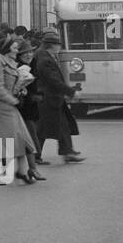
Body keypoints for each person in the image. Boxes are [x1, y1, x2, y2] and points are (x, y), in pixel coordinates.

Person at [0, 35, 44, 185]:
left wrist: (21, 91)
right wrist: (14, 99)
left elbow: (12, 86)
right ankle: (15, 171)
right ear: (6, 50)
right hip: (1, 109)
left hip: (10, 107)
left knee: (20, 138)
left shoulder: (11, 64)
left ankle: (19, 171)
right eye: (14, 48)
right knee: (6, 140)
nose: (16, 50)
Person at [33, 31, 85, 163]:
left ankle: (67, 151)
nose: (60, 47)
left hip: (51, 97)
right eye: (58, 45)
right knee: (42, 129)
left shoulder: (43, 55)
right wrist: (71, 92)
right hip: (48, 98)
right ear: (52, 46)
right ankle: (34, 155)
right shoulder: (45, 60)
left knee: (62, 125)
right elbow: (53, 80)